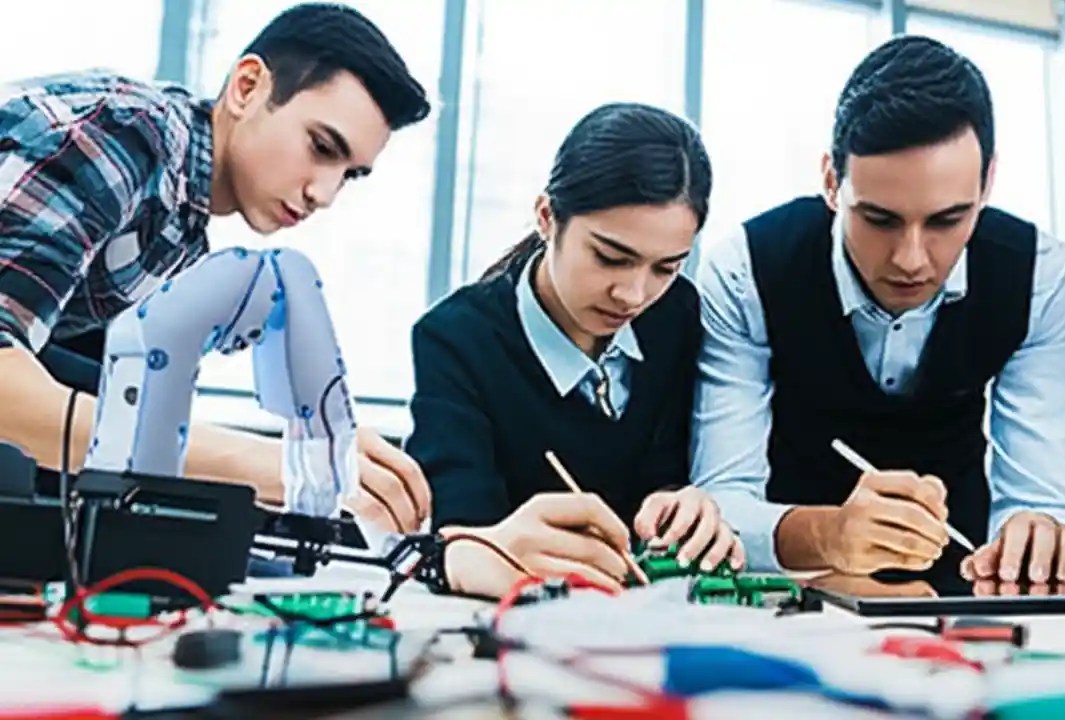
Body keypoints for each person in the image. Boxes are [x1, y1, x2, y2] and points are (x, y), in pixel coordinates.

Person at [0, 3, 432, 534]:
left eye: (349, 175)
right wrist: (270, 465)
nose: (324, 194)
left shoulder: (179, 233)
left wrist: (302, 452)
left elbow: (104, 414)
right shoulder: (121, 135)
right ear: (247, 87)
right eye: (321, 147)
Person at [692, 35, 1065, 586]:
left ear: (988, 184)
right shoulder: (745, 271)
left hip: (964, 582)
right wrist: (829, 535)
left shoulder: (1040, 277)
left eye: (947, 221)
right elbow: (720, 505)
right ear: (832, 183)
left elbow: (1039, 494)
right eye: (879, 220)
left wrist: (1038, 531)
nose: (911, 260)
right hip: (789, 589)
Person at [405, 102, 745, 595]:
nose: (633, 294)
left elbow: (666, 474)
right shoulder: (455, 339)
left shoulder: (677, 318)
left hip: (644, 621)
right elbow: (459, 532)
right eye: (610, 258)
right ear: (547, 217)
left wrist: (684, 510)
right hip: (508, 619)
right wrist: (500, 548)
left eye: (666, 268)